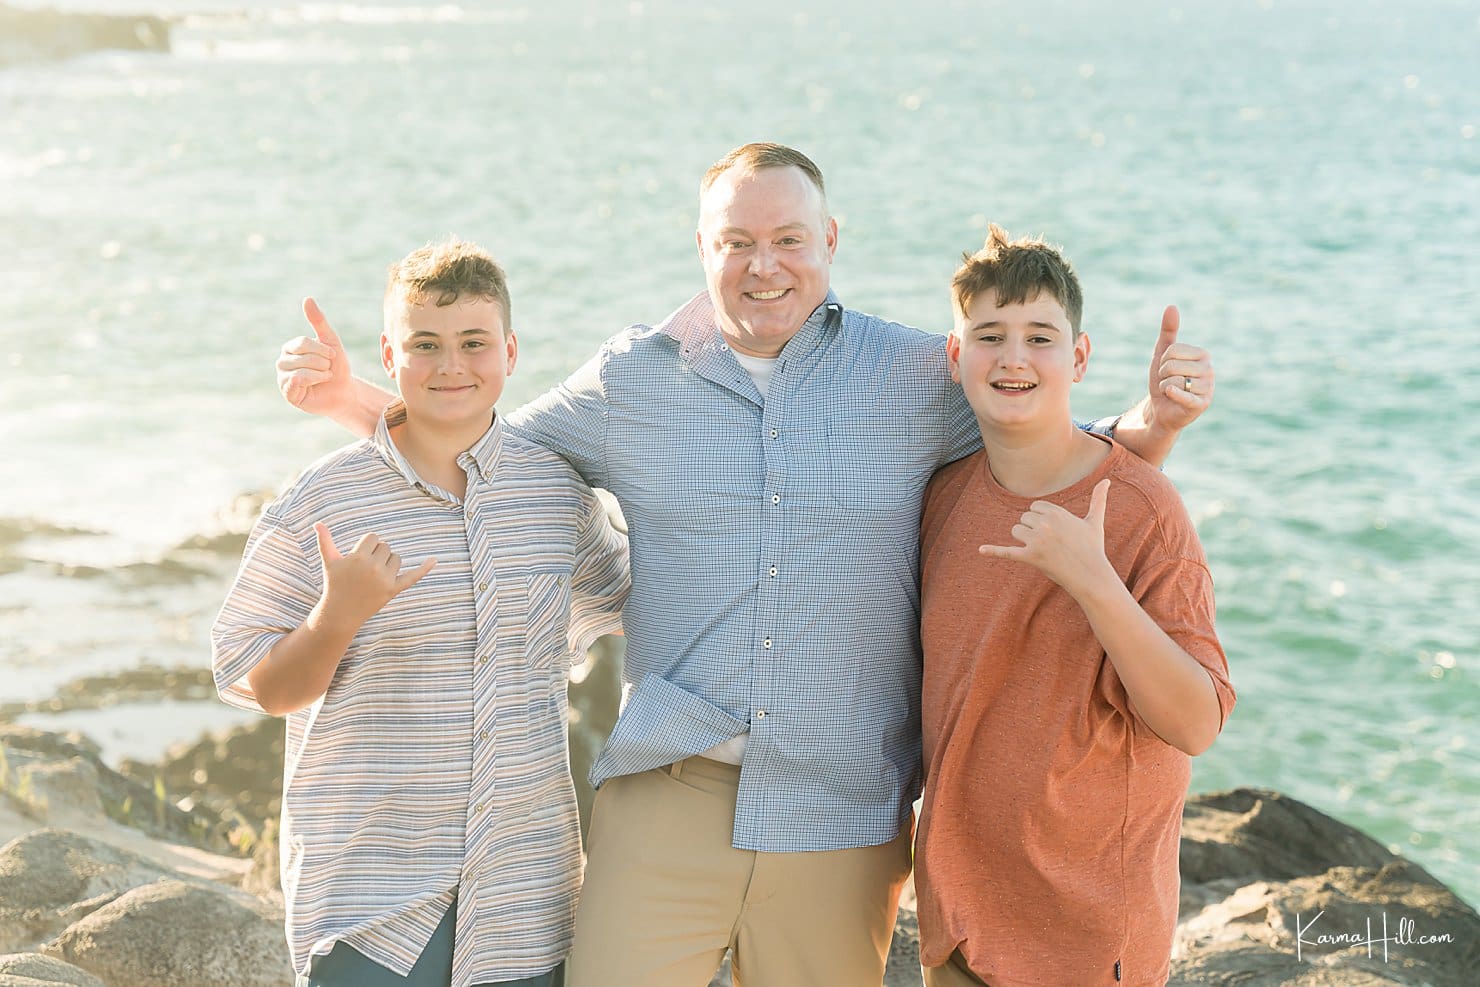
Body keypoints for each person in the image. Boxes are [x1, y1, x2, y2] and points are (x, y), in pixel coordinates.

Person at [274, 143, 1216, 987]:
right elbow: (483, 451)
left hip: (842, 809)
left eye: (789, 239)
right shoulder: (631, 377)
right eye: (737, 242)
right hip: (668, 792)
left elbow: (1037, 433)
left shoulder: (916, 375)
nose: (765, 265)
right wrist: (355, 399)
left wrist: (1153, 426)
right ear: (702, 247)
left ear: (830, 240)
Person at [214, 240, 630, 987]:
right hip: (372, 906)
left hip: (523, 901)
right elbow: (262, 685)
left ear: (510, 351)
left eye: (474, 342)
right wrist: (336, 617)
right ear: (389, 354)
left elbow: (644, 606)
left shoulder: (556, 499)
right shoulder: (322, 503)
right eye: (425, 344)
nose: (451, 365)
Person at [914, 226, 1235, 986]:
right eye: (989, 336)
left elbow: (1197, 721)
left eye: (1040, 337)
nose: (1014, 357)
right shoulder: (942, 497)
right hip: (959, 928)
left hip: (1087, 944)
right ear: (956, 357)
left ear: (1080, 358)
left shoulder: (1142, 510)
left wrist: (1094, 582)